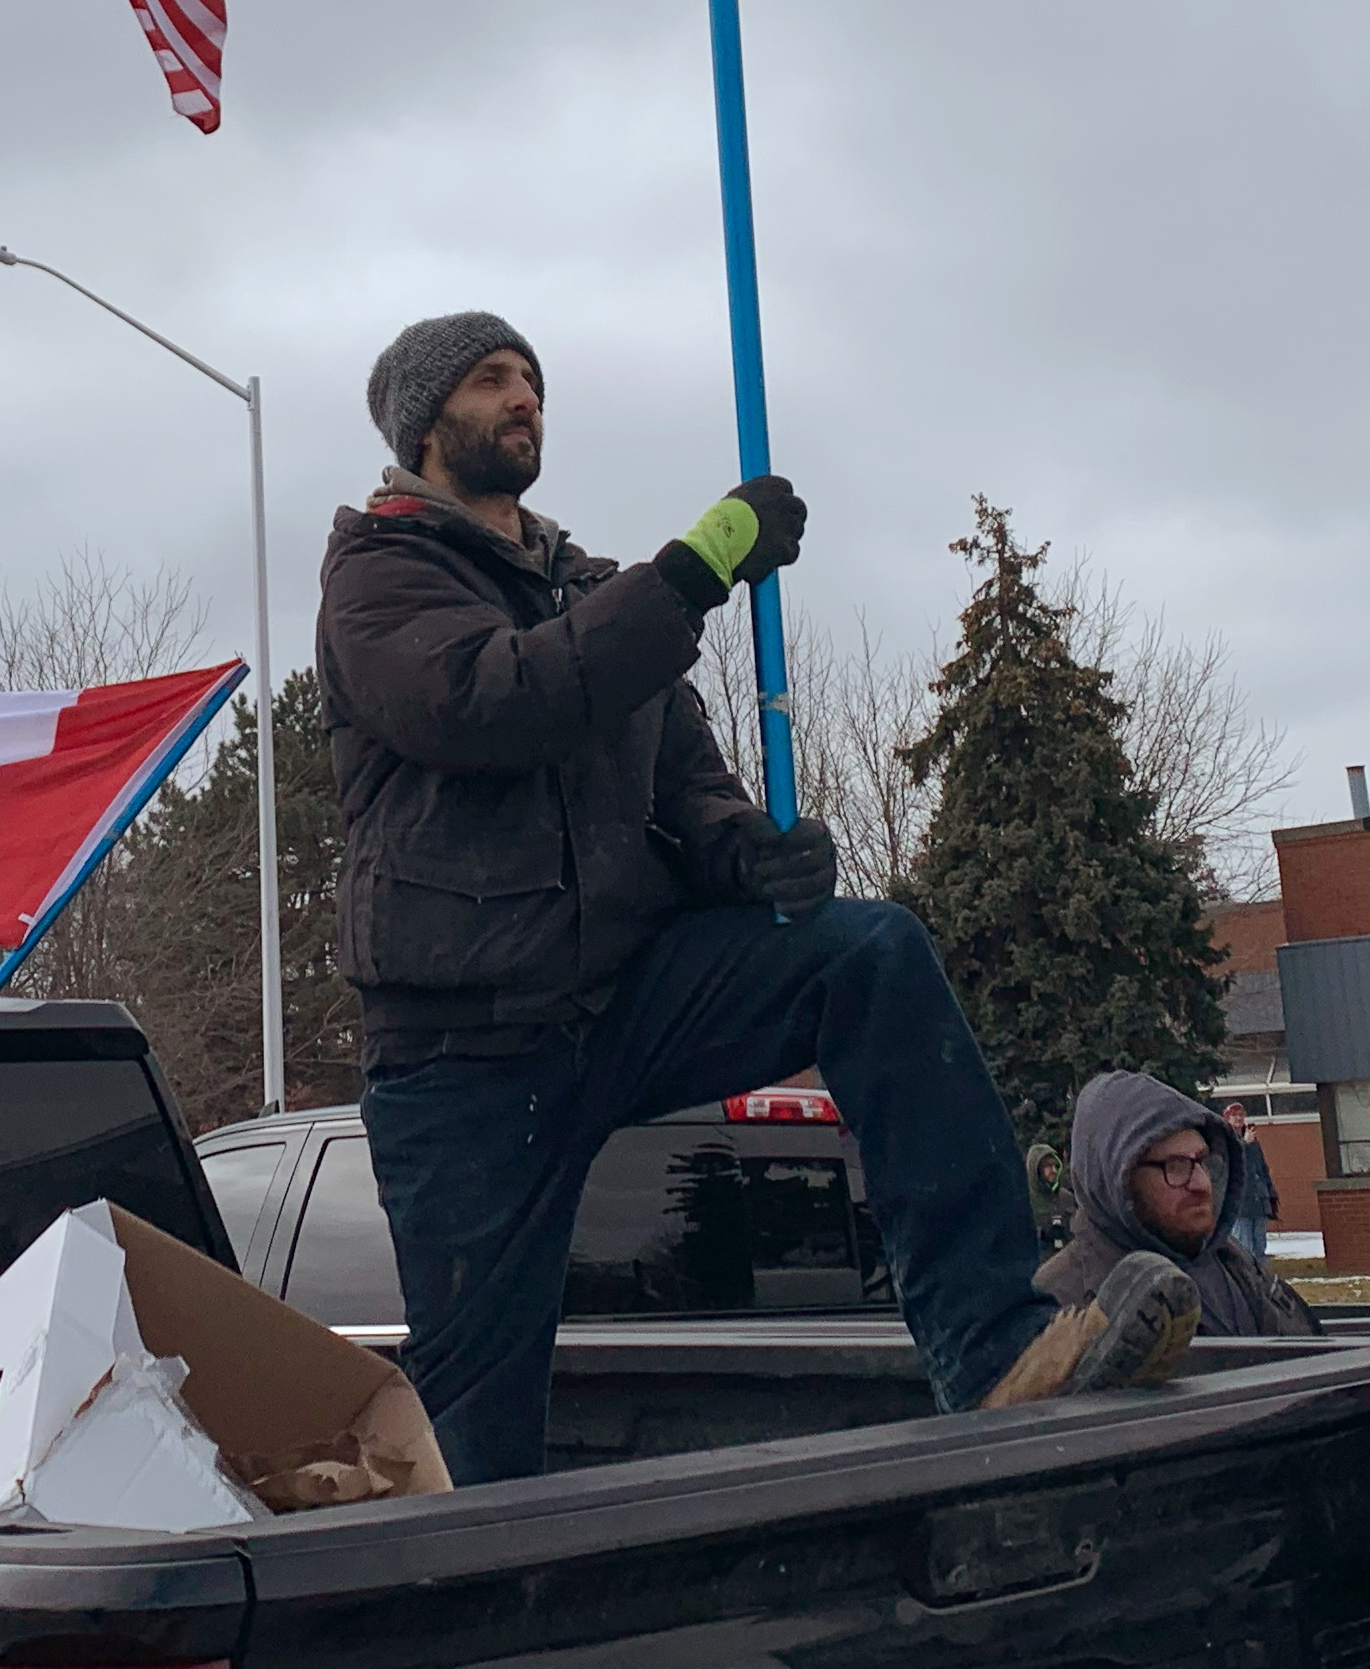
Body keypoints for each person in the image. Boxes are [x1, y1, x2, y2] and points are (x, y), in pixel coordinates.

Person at [318, 311, 1195, 1485]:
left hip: (620, 1005)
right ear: (425, 424)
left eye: (531, 377)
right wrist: (698, 565)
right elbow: (496, 701)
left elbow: (687, 788)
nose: (523, 396)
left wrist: (751, 855)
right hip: (461, 1058)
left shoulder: (589, 592)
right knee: (474, 1445)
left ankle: (993, 1344)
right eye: (490, 379)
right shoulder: (378, 576)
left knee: (868, 954)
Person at [1046, 1075, 1318, 1339]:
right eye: (1176, 1166)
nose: (1202, 1183)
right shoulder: (1058, 1312)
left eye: (1203, 1161)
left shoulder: (1233, 1263)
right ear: (1117, 1179)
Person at [1219, 1098, 1281, 1264]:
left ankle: (1261, 1276)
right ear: (1227, 1118)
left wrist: (1270, 1192)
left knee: (1260, 1247)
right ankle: (1247, 1276)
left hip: (1259, 1202)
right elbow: (1229, 1164)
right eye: (1234, 1115)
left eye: (1241, 1114)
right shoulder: (1225, 1140)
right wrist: (1244, 1144)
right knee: (1244, 1247)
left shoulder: (1253, 1142)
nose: (1239, 1118)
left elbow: (1262, 1168)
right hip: (1240, 1205)